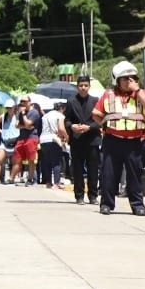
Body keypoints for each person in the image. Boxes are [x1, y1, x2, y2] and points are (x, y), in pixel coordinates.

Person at [94, 60, 145, 216]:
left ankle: (138, 205)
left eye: (132, 78)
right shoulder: (108, 94)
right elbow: (96, 113)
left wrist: (138, 90)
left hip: (134, 141)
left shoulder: (141, 94)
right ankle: (106, 204)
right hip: (112, 140)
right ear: (117, 80)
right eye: (125, 79)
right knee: (109, 174)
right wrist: (106, 126)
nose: (129, 81)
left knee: (135, 174)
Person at [64, 75, 101, 204]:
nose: (83, 88)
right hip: (77, 139)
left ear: (89, 87)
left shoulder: (96, 101)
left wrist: (89, 127)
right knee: (77, 168)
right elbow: (67, 120)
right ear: (77, 87)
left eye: (85, 86)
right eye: (81, 86)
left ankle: (93, 196)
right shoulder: (71, 101)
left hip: (92, 138)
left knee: (93, 169)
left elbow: (100, 121)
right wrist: (72, 126)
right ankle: (79, 195)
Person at [37, 100, 66, 189]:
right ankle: (57, 183)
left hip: (43, 139)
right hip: (54, 139)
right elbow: (61, 128)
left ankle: (48, 182)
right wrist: (66, 136)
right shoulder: (60, 115)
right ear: (62, 108)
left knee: (47, 161)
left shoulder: (45, 116)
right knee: (56, 161)